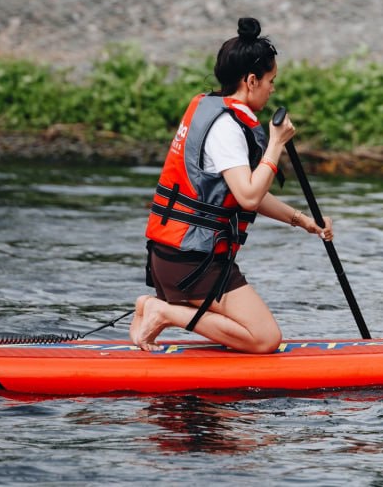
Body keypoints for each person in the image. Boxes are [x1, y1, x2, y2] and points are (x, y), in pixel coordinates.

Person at [129, 17, 332, 354]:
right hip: (191, 262)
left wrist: (303, 221)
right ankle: (163, 311)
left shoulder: (214, 112)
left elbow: (247, 193)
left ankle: (158, 308)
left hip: (176, 258)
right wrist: (276, 144)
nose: (273, 89)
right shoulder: (226, 128)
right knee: (265, 338)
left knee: (253, 331)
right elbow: (249, 197)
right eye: (271, 81)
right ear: (251, 80)